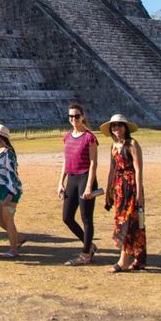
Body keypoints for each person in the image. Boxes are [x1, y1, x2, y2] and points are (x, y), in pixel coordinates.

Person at [101, 114, 147, 271]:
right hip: (119, 189)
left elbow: (138, 170)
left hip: (131, 188)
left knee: (127, 223)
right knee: (128, 223)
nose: (116, 129)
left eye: (119, 125)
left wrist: (139, 193)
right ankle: (138, 259)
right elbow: (112, 170)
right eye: (113, 126)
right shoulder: (114, 146)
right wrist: (109, 190)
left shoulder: (132, 144)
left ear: (125, 128)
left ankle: (123, 261)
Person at [57, 103, 99, 265]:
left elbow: (93, 163)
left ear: (83, 117)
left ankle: (85, 254)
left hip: (85, 178)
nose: (73, 119)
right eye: (71, 116)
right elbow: (66, 161)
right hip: (72, 179)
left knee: (86, 218)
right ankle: (90, 245)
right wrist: (60, 181)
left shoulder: (89, 137)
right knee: (67, 217)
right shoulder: (67, 137)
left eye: (76, 116)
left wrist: (89, 186)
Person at [0, 124, 25, 258]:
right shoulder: (0, 152)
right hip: (1, 188)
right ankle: (18, 237)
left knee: (8, 220)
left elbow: (13, 176)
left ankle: (13, 249)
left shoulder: (8, 153)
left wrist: (11, 194)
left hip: (11, 190)